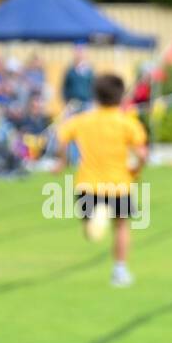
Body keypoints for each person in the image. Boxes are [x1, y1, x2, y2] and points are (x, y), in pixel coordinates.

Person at [57, 73, 148, 287]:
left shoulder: (82, 120)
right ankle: (120, 271)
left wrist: (62, 162)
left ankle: (94, 221)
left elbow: (62, 137)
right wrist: (137, 169)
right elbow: (142, 154)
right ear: (121, 96)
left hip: (88, 183)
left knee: (91, 231)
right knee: (122, 226)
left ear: (95, 95)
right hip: (119, 183)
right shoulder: (128, 123)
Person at [61, 44, 94, 113]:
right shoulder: (70, 70)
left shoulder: (89, 71)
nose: (79, 55)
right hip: (73, 102)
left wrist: (92, 100)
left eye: (81, 52)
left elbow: (93, 85)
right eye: (78, 52)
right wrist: (67, 100)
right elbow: (65, 87)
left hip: (86, 102)